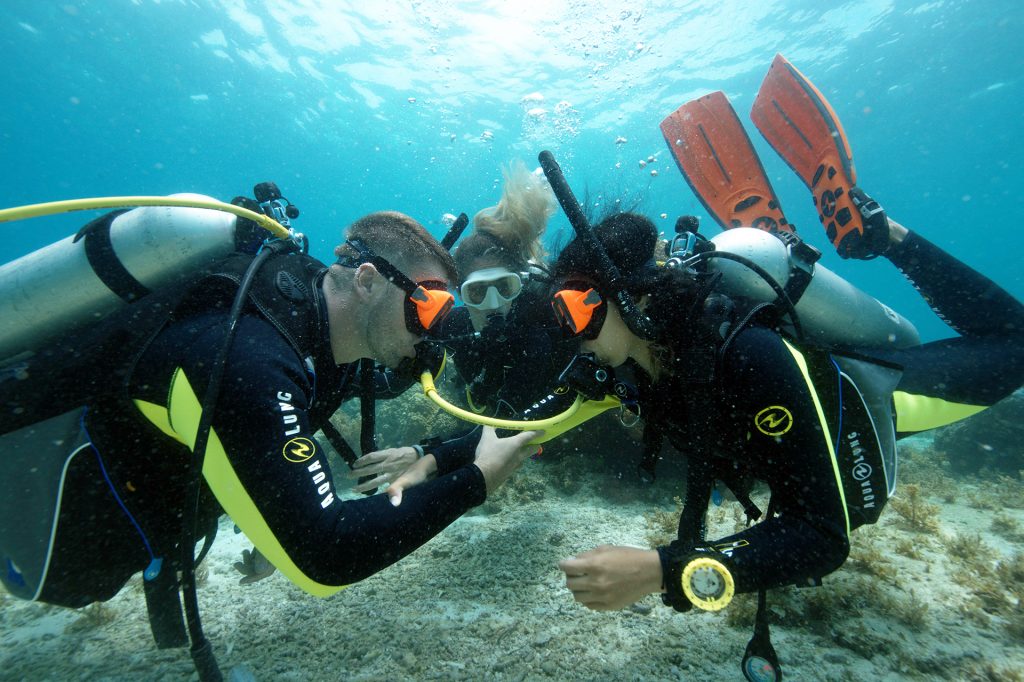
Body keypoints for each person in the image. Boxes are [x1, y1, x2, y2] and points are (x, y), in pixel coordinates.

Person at [0, 208, 540, 656]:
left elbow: (262, 448)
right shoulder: (248, 355)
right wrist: (476, 481)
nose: (430, 332)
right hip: (38, 509)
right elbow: (324, 557)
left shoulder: (319, 332)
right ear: (368, 280)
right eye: (426, 306)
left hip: (126, 507)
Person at [550, 204, 1024, 614]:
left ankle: (892, 237)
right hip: (806, 388)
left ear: (634, 296)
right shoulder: (637, 363)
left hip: (881, 398)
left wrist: (663, 571)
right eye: (559, 313)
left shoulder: (748, 354)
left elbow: (821, 534)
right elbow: (528, 428)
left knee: (1017, 343)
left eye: (576, 309)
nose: (569, 331)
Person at [348, 161, 576, 491]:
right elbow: (393, 378)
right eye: (478, 292)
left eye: (505, 287)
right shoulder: (452, 325)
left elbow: (505, 424)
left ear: (521, 284)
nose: (494, 303)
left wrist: (423, 453)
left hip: (556, 429)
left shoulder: (536, 327)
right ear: (461, 295)